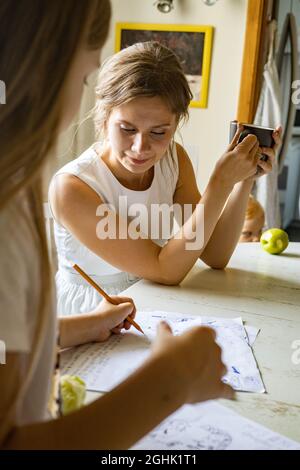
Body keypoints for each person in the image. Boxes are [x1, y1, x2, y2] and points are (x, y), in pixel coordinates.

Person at [0, 0, 234, 450]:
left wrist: (75, 328)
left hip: (99, 327)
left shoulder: (17, 186)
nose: (141, 146)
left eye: (159, 132)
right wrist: (171, 381)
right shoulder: (44, 194)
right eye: (85, 75)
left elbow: (12, 337)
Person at [50, 41, 282, 316]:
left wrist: (243, 178)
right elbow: (165, 269)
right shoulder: (72, 188)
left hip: (151, 302)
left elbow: (215, 254)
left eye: (159, 132)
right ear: (103, 117)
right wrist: (219, 182)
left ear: (177, 123)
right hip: (89, 314)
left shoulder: (173, 160)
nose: (140, 147)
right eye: (127, 128)